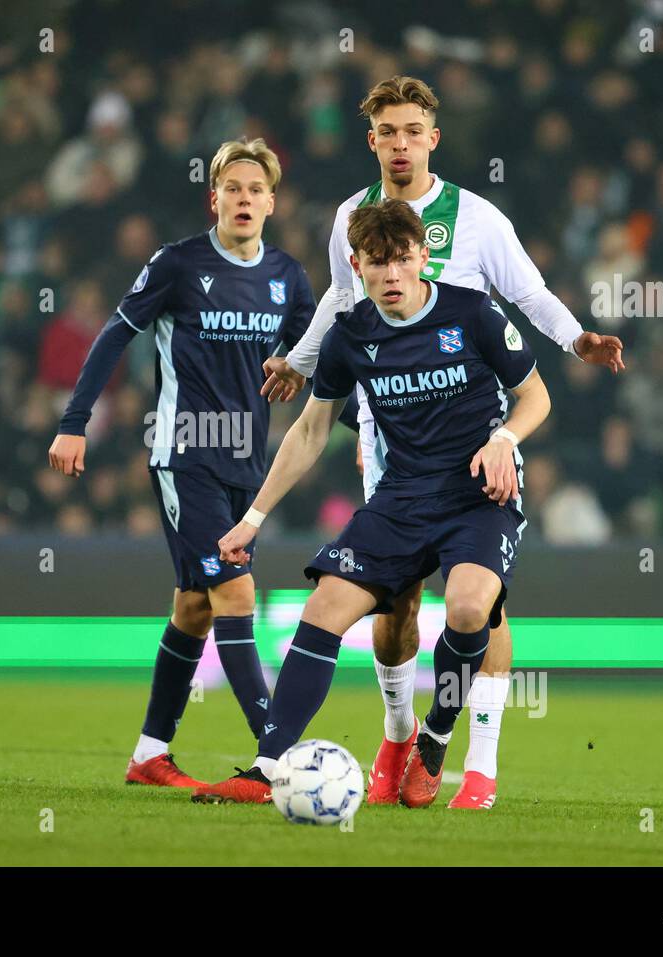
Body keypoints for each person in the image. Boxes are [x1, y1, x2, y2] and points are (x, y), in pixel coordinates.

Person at [261, 76, 621, 809]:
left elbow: (526, 291)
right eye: (387, 131)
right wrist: (300, 362)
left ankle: (472, 762)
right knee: (393, 608)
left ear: (433, 137)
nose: (399, 143)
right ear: (373, 140)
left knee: (478, 605)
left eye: (411, 130)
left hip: (477, 438)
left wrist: (576, 337)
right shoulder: (350, 219)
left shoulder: (477, 218)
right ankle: (397, 733)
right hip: (391, 434)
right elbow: (340, 301)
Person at [194, 200, 550, 806]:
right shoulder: (351, 334)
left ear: (424, 257)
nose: (389, 276)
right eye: (375, 264)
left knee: (468, 609)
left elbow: (536, 397)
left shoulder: (473, 314)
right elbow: (309, 431)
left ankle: (435, 738)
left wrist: (503, 439)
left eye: (400, 261)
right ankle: (267, 767)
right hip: (400, 498)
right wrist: (251, 519)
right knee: (323, 607)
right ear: (355, 266)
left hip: (477, 495)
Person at [49, 138, 313, 788]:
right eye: (233, 187)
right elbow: (115, 333)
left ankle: (149, 753)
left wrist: (298, 366)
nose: (245, 198)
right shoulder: (178, 264)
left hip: (250, 462)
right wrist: (74, 422)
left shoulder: (288, 276)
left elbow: (319, 350)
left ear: (271, 202)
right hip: (184, 453)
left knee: (194, 609)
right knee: (234, 592)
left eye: (256, 189)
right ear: (214, 196)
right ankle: (277, 757)